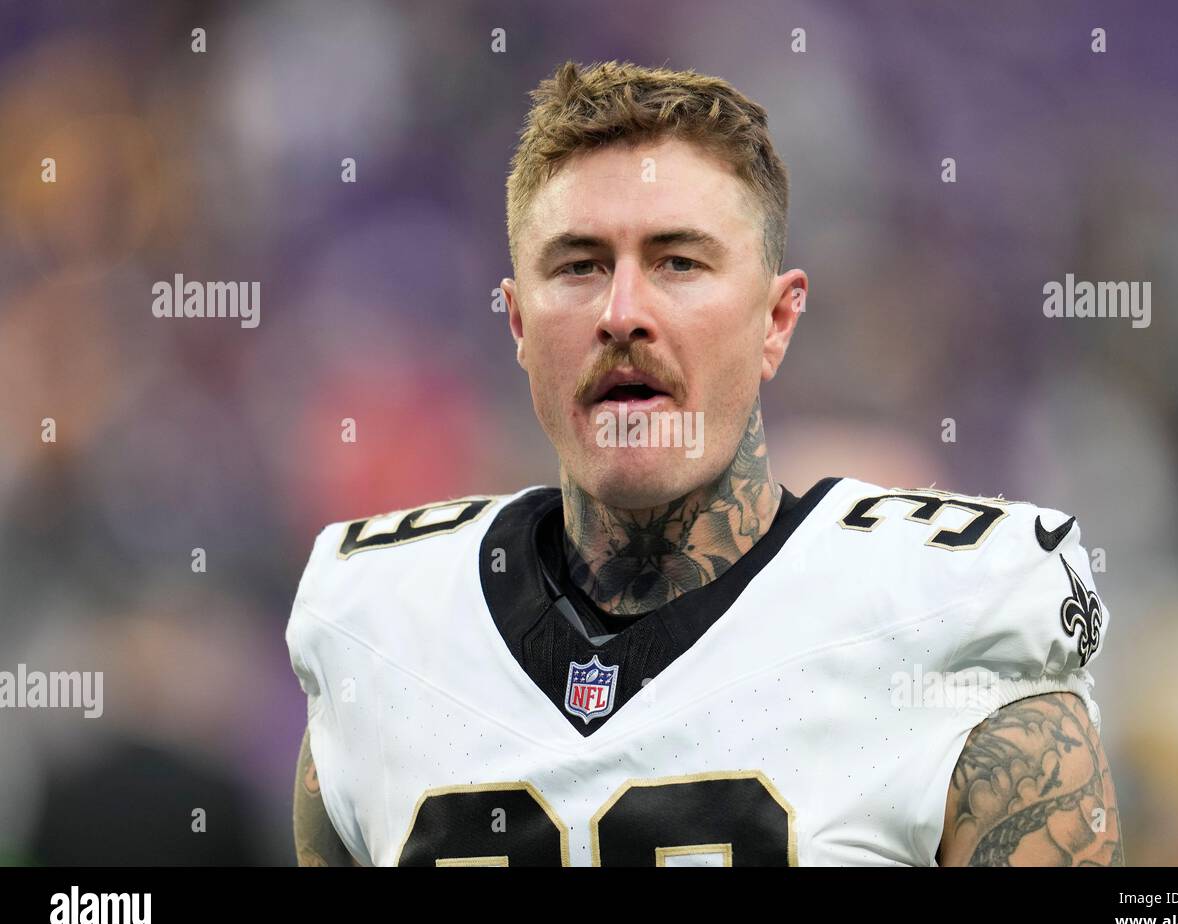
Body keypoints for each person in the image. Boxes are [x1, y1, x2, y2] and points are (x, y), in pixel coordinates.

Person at [287, 60, 1121, 867]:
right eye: (578, 266)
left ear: (777, 319)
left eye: (677, 262)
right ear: (516, 323)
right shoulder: (380, 631)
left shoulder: (951, 618)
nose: (621, 313)